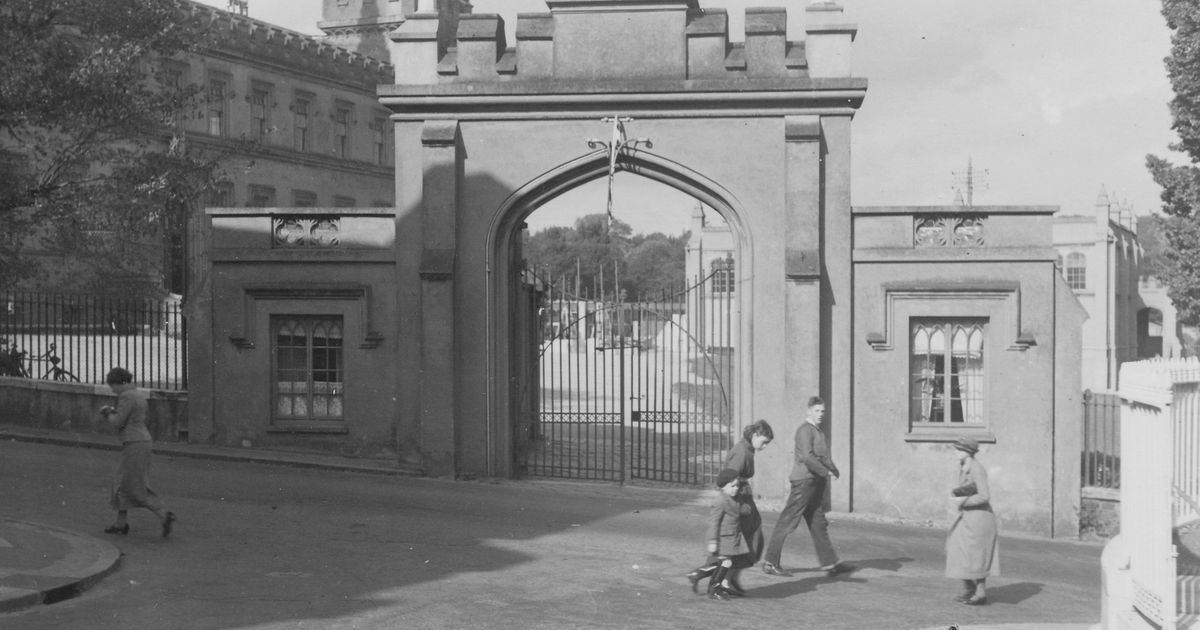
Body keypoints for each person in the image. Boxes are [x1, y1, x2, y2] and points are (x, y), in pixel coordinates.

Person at [762, 396, 855, 577]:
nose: (820, 414)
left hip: (815, 484)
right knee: (787, 522)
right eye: (816, 411)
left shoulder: (818, 432)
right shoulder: (804, 431)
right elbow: (806, 456)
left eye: (822, 411)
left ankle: (830, 564)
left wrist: (833, 469)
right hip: (804, 482)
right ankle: (770, 562)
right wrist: (824, 471)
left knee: (818, 523)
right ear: (809, 411)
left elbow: (824, 456)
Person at [97, 367, 176, 538]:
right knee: (123, 483)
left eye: (113, 386)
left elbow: (118, 422)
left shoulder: (126, 396)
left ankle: (163, 513)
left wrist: (107, 412)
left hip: (134, 442)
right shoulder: (138, 395)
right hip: (140, 440)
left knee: (134, 485)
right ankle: (120, 523)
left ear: (120, 383)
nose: (112, 390)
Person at [717, 419, 773, 595]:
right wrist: (738, 508)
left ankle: (728, 580)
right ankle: (723, 581)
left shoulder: (746, 449)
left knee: (748, 543)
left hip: (744, 501)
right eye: (764, 442)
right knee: (744, 544)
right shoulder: (742, 453)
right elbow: (729, 482)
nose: (764, 447)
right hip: (740, 502)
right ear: (755, 435)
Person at [686, 468, 755, 600]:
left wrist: (746, 509)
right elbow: (714, 522)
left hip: (732, 537)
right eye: (732, 486)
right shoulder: (720, 501)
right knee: (727, 563)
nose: (735, 489)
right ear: (723, 486)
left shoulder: (734, 498)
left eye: (737, 486)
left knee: (727, 563)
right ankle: (713, 588)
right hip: (723, 538)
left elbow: (741, 509)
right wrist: (712, 541)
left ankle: (698, 575)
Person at [945, 436, 998, 605]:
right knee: (956, 550)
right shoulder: (963, 466)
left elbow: (985, 495)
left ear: (967, 452)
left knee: (976, 556)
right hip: (967, 517)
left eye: (958, 450)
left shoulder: (977, 469)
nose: (955, 452)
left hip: (979, 518)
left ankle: (980, 592)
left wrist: (962, 501)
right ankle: (969, 588)